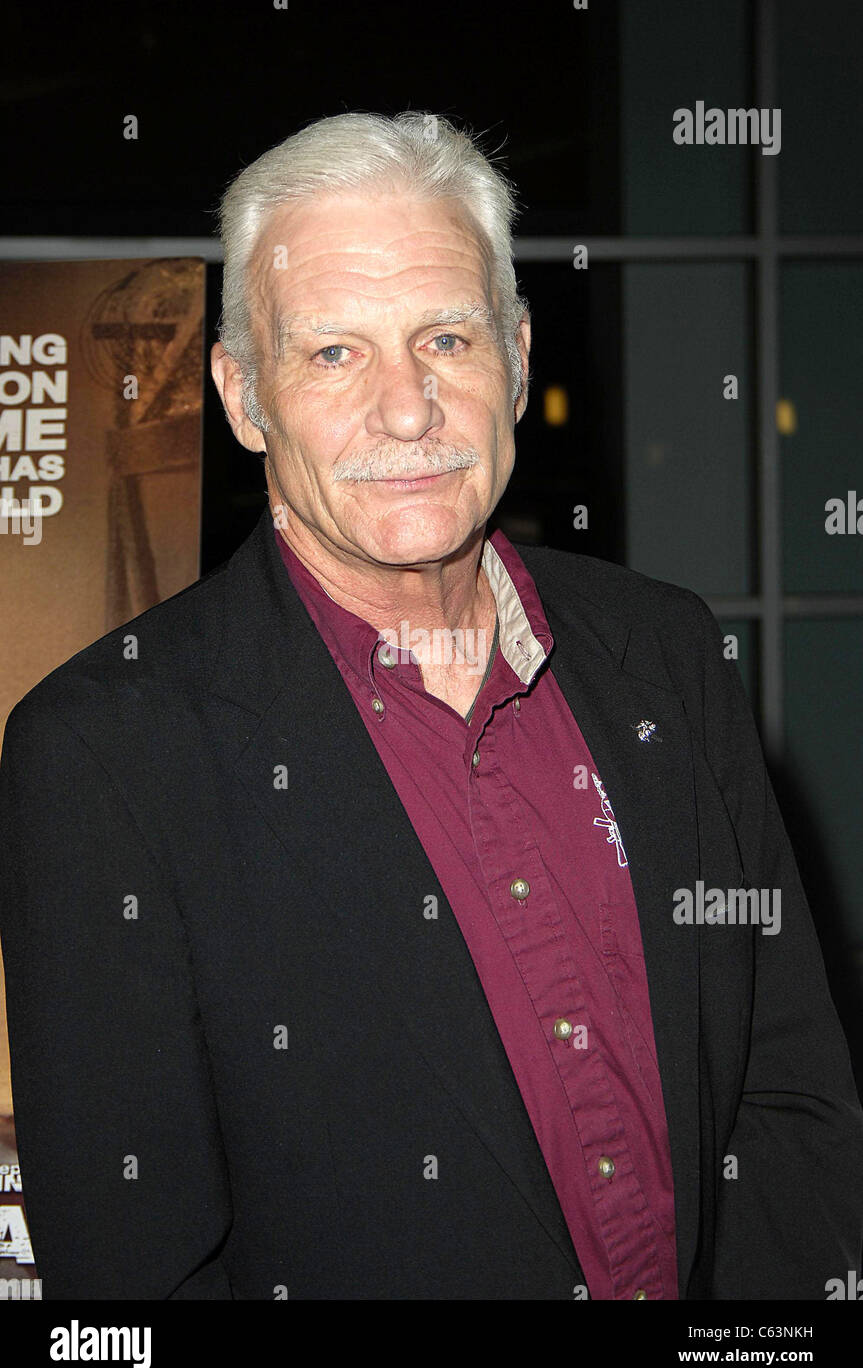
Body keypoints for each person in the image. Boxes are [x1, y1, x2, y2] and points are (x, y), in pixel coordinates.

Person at [1, 111, 862, 1301]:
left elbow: (786, 1093)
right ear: (242, 397)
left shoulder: (666, 651)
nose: (407, 410)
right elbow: (136, 1281)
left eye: (445, 338)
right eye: (333, 354)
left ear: (516, 353)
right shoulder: (104, 752)